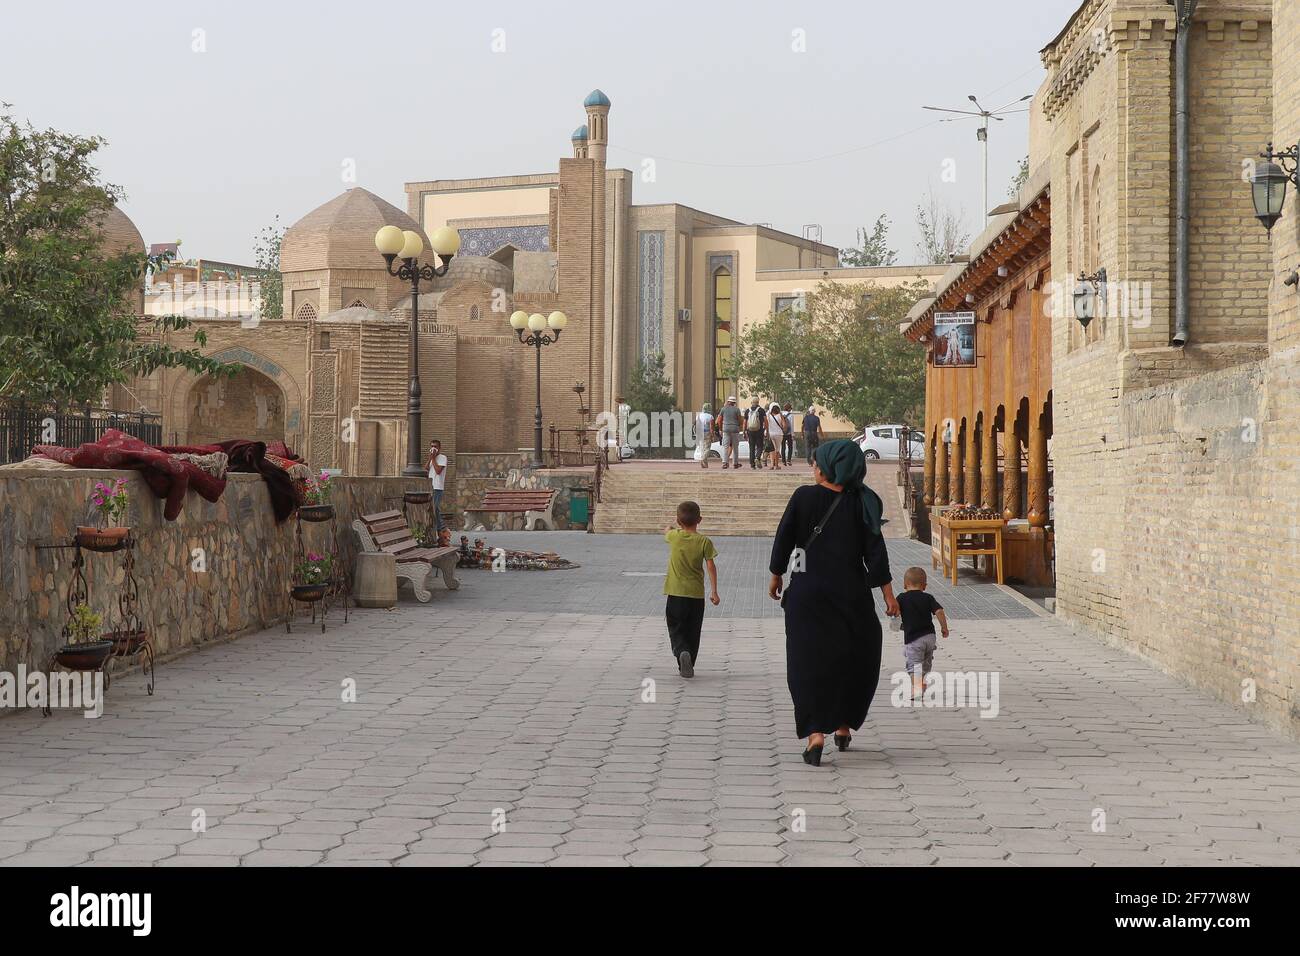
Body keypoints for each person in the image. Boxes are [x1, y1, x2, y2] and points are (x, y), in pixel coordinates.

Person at [768, 438, 899, 765]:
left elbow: (784, 536)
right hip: (850, 597)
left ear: (828, 468)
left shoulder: (803, 496)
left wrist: (776, 574)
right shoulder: (862, 504)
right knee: (854, 658)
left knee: (808, 661)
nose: (813, 468)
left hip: (806, 596)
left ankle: (815, 734)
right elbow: (876, 554)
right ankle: (842, 725)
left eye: (816, 464)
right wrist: (888, 595)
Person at [663, 500, 720, 678]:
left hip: (675, 593)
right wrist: (714, 591)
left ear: (679, 522)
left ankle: (681, 653)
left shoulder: (674, 537)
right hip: (696, 596)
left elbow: (667, 531)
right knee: (693, 630)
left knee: (675, 627)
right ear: (700, 519)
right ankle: (690, 663)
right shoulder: (704, 542)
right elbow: (711, 566)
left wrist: (671, 527)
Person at [897, 567, 949, 699]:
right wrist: (944, 627)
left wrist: (897, 621)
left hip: (914, 639)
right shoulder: (928, 597)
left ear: (904, 584)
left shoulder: (902, 598)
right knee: (926, 662)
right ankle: (922, 682)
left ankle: (917, 689)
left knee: (914, 663)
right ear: (924, 586)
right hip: (930, 637)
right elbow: (939, 611)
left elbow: (895, 613)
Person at [427, 440, 448, 536]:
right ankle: (441, 530)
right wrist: (430, 459)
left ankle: (441, 528)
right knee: (435, 509)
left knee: (434, 508)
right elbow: (425, 469)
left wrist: (434, 459)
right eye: (431, 446)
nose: (433, 448)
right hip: (430, 486)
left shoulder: (443, 458)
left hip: (437, 487)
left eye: (435, 446)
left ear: (439, 448)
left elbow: (438, 471)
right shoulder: (432, 459)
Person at [717, 395, 743, 470]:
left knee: (726, 447)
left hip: (726, 429)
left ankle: (725, 463)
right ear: (734, 403)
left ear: (728, 402)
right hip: (735, 429)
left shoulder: (723, 409)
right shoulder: (737, 409)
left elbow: (719, 420)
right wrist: (738, 425)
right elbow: (740, 420)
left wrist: (720, 429)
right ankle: (735, 463)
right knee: (735, 447)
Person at [745, 398, 767, 469]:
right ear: (758, 402)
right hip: (759, 431)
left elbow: (745, 422)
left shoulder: (748, 410)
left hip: (750, 431)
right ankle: (757, 457)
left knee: (751, 447)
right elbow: (765, 421)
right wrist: (766, 429)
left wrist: (744, 431)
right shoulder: (761, 410)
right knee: (760, 446)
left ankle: (752, 465)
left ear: (752, 402)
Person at [765, 403, 785, 470]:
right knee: (777, 449)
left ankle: (771, 465)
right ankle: (776, 465)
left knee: (771, 450)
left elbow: (765, 423)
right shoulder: (780, 415)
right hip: (779, 434)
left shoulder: (768, 415)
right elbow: (784, 425)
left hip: (771, 434)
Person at [695, 402, 715, 469]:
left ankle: (705, 465)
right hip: (707, 433)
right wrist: (712, 435)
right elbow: (711, 428)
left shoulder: (698, 415)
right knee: (707, 449)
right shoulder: (710, 416)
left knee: (702, 448)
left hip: (699, 433)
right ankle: (703, 459)